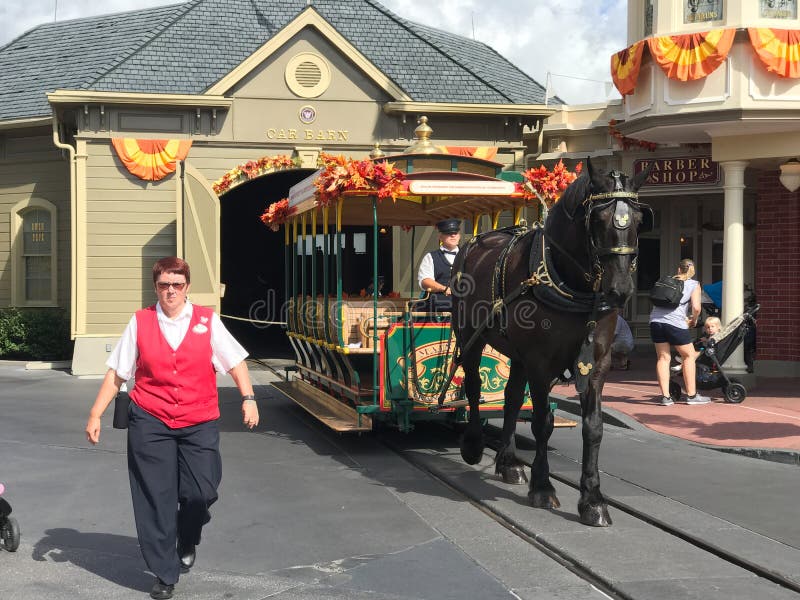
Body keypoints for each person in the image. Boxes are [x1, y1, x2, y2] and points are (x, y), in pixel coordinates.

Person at [85, 257, 259, 600]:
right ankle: (165, 574)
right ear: (156, 287)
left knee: (201, 492)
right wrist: (95, 414)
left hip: (199, 419)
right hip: (151, 419)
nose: (171, 291)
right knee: (155, 497)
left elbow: (236, 362)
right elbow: (117, 373)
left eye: (177, 285)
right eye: (164, 285)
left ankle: (188, 534)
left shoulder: (207, 321)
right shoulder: (141, 321)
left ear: (187, 287)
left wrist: (249, 397)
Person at [649, 258, 711, 406]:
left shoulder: (666, 280)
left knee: (663, 358)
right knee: (689, 355)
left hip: (656, 321)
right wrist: (694, 320)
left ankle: (666, 397)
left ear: (678, 270)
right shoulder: (693, 284)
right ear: (692, 271)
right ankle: (691, 395)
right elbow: (696, 308)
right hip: (676, 323)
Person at [417, 219, 461, 312]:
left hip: (462, 308)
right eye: (449, 233)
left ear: (459, 235)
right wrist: (443, 289)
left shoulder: (467, 255)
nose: (453, 235)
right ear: (440, 236)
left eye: (455, 233)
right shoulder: (430, 257)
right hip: (437, 308)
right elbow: (425, 281)